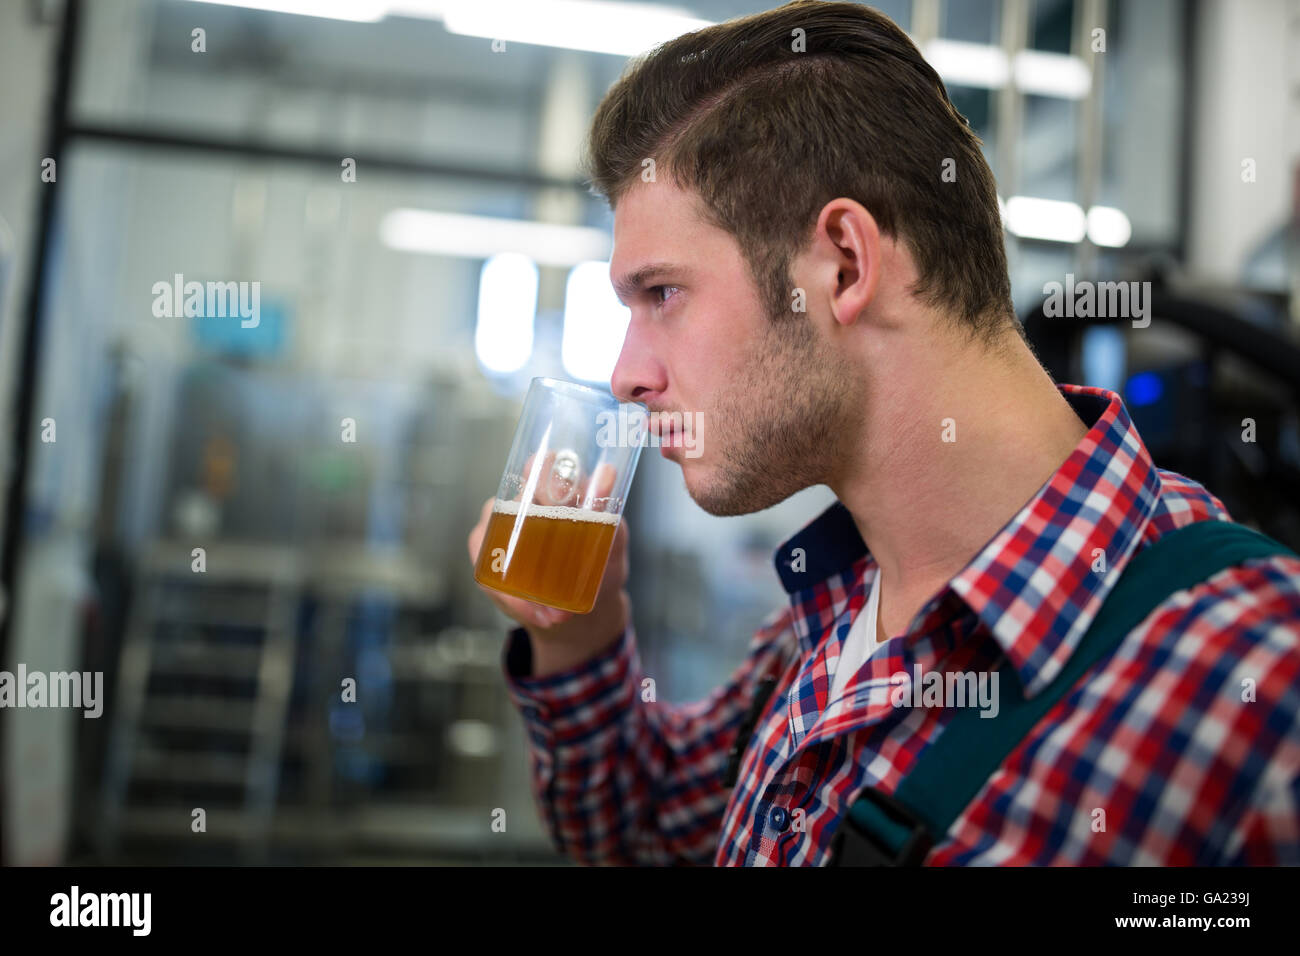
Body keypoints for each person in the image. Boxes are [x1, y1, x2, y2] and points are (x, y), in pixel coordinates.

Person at [466, 0, 1300, 865]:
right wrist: (576, 635)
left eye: (663, 295)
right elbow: (646, 829)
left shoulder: (1259, 691)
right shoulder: (827, 621)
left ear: (844, 266)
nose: (626, 375)